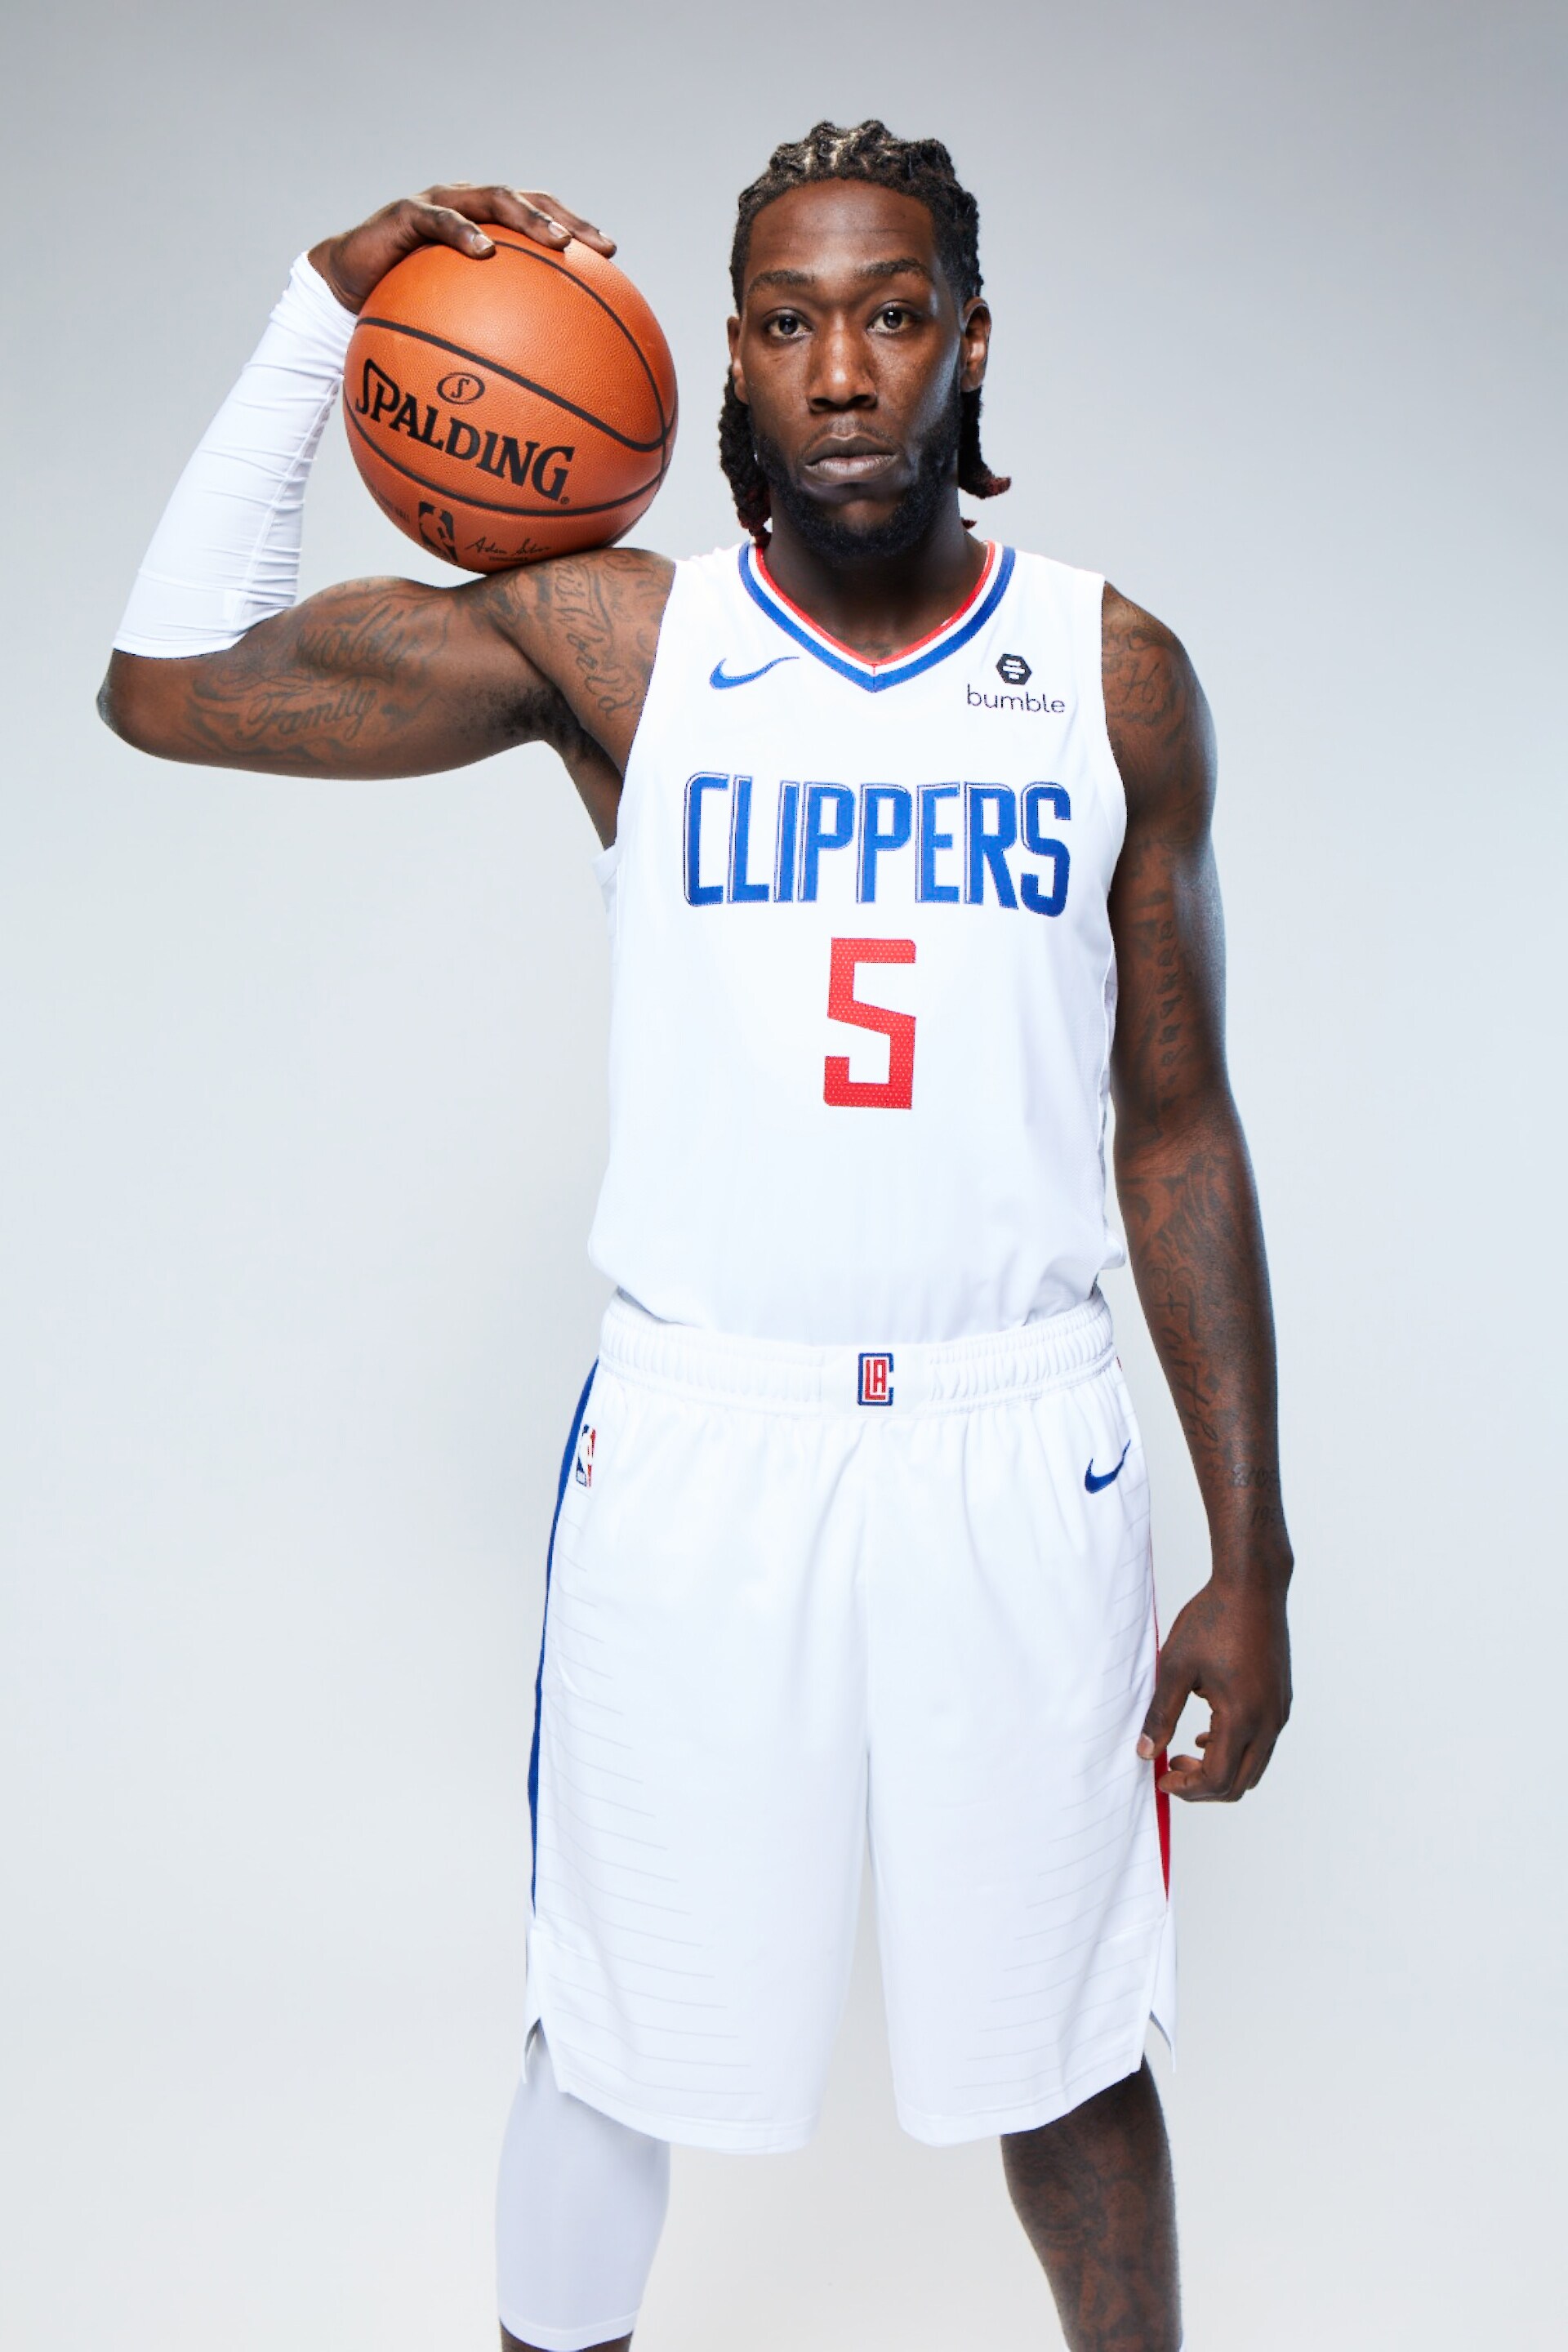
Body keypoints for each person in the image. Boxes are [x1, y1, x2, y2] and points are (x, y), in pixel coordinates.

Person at [101, 120, 1293, 2352]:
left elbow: (1179, 1119)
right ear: (727, 364)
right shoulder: (622, 645)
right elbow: (169, 684)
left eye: (893, 310)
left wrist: (1257, 1549)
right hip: (703, 1439)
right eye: (788, 319)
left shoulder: (1110, 671)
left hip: (1018, 1448)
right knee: (612, 2030)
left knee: (1071, 2054)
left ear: (967, 342)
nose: (843, 367)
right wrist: (319, 306)